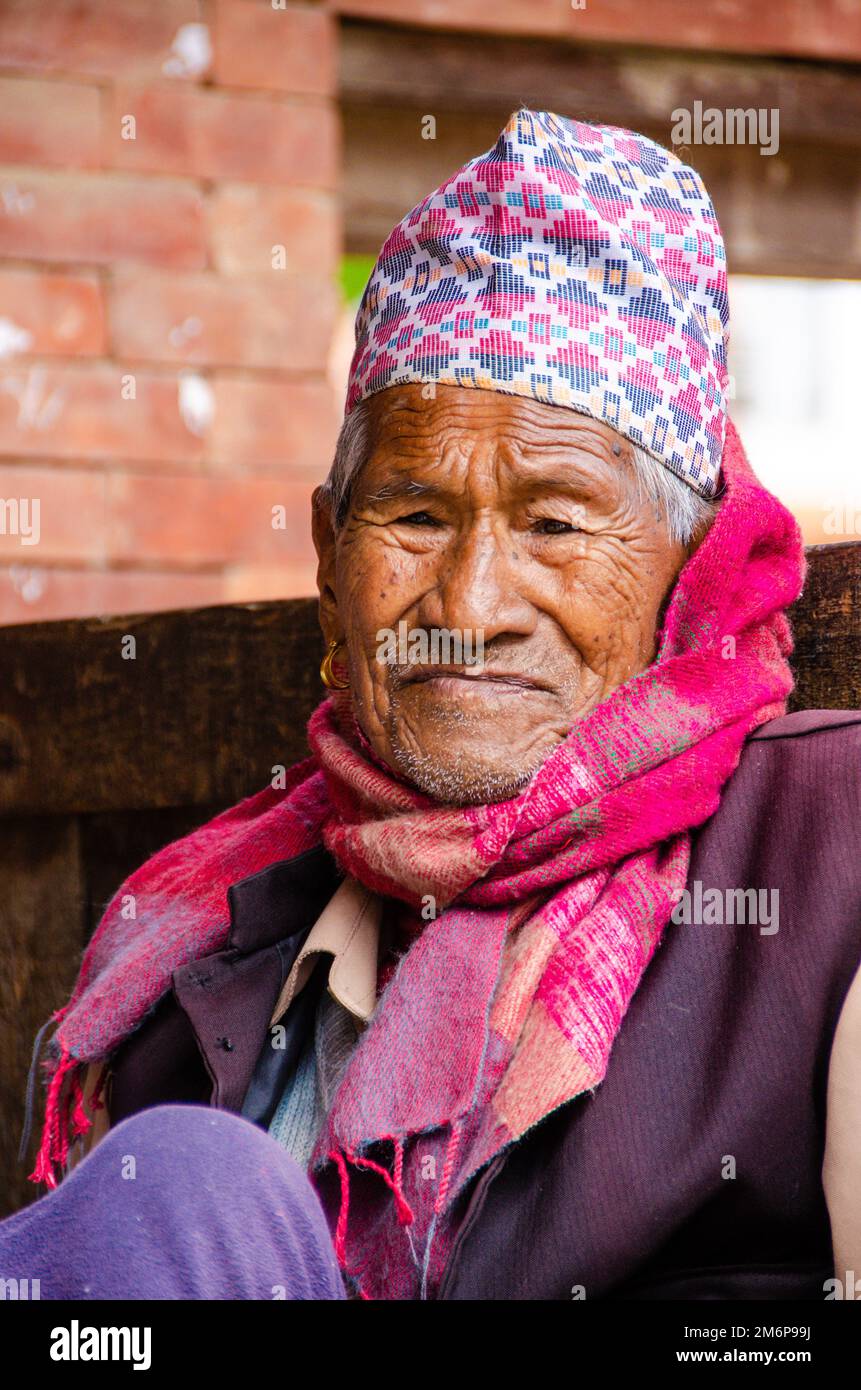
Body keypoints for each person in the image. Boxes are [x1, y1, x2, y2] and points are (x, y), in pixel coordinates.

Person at [9, 107, 861, 1302]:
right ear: (325, 558)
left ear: (690, 569)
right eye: (415, 515)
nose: (468, 599)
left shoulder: (835, 848)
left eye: (556, 522)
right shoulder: (200, 958)